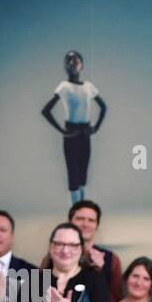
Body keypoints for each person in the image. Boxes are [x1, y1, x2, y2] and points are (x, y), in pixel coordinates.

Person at [41, 50, 107, 203]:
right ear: (65, 66)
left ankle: (82, 208)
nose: (72, 64)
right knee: (73, 172)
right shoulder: (64, 86)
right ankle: (74, 210)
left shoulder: (89, 86)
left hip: (85, 132)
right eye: (68, 61)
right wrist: (62, 131)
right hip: (72, 132)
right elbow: (46, 110)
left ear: (82, 66)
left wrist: (96, 127)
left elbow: (103, 107)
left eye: (75, 61)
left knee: (83, 172)